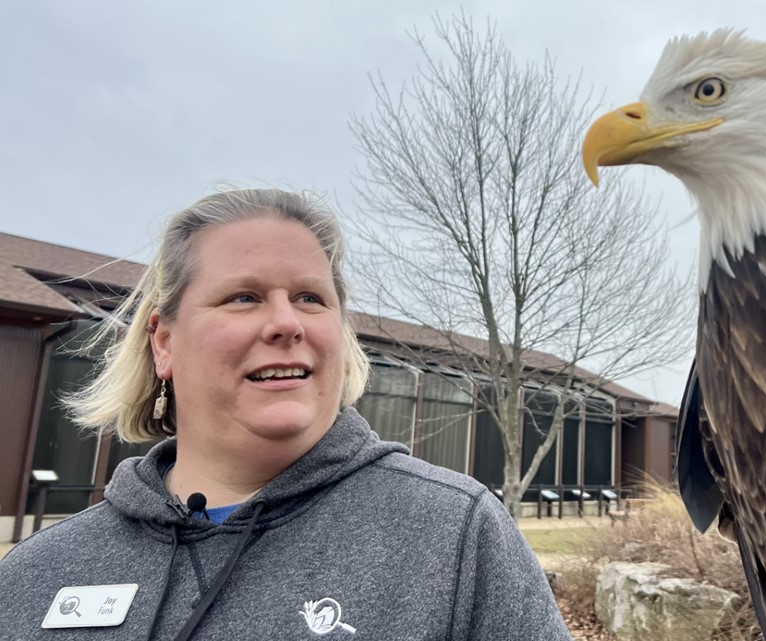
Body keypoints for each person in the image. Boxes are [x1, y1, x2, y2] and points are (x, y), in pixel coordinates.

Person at [0, 189, 573, 640]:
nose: (286, 323)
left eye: (310, 298)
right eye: (243, 297)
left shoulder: (456, 535)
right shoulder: (35, 574)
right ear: (164, 341)